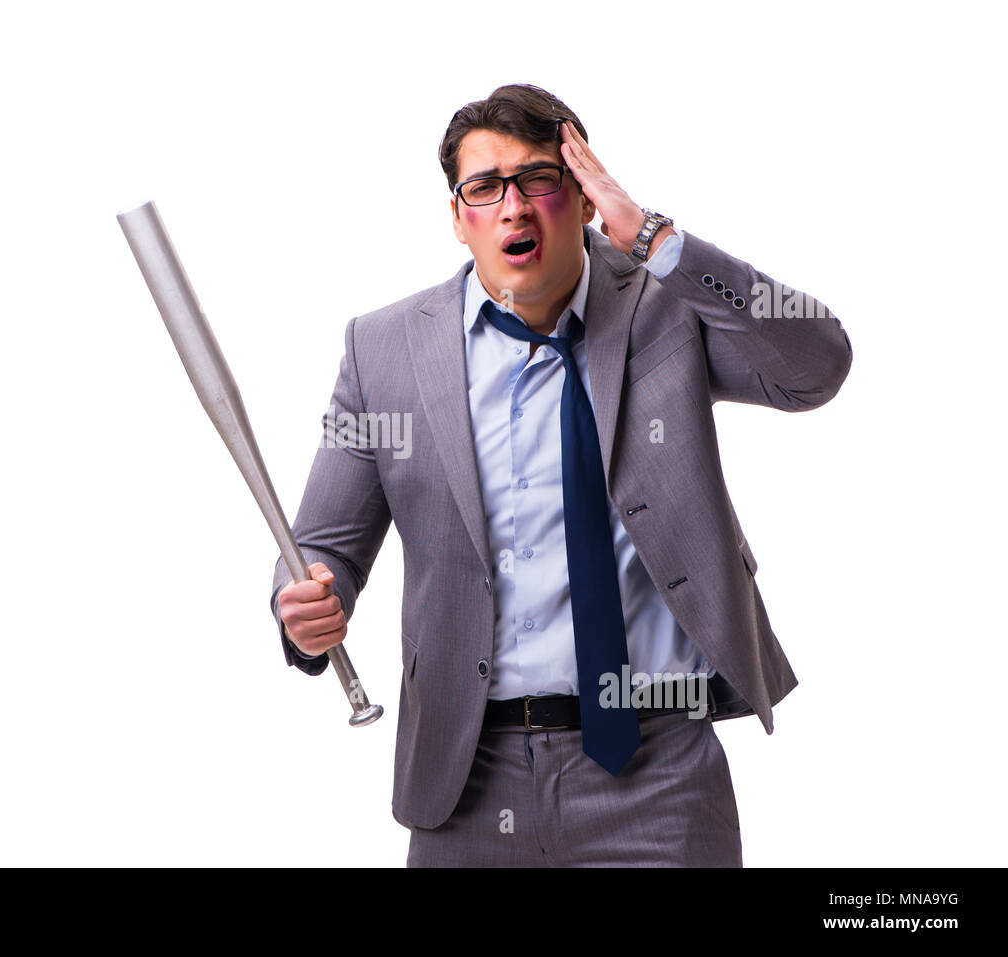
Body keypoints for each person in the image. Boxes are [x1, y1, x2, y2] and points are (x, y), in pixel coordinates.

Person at [268, 83, 851, 867]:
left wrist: (657, 240)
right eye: (485, 187)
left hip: (657, 773)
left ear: (579, 197)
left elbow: (817, 363)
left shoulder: (664, 308)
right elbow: (320, 544)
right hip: (467, 776)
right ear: (457, 217)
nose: (513, 207)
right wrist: (302, 599)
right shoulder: (382, 351)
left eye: (538, 180)